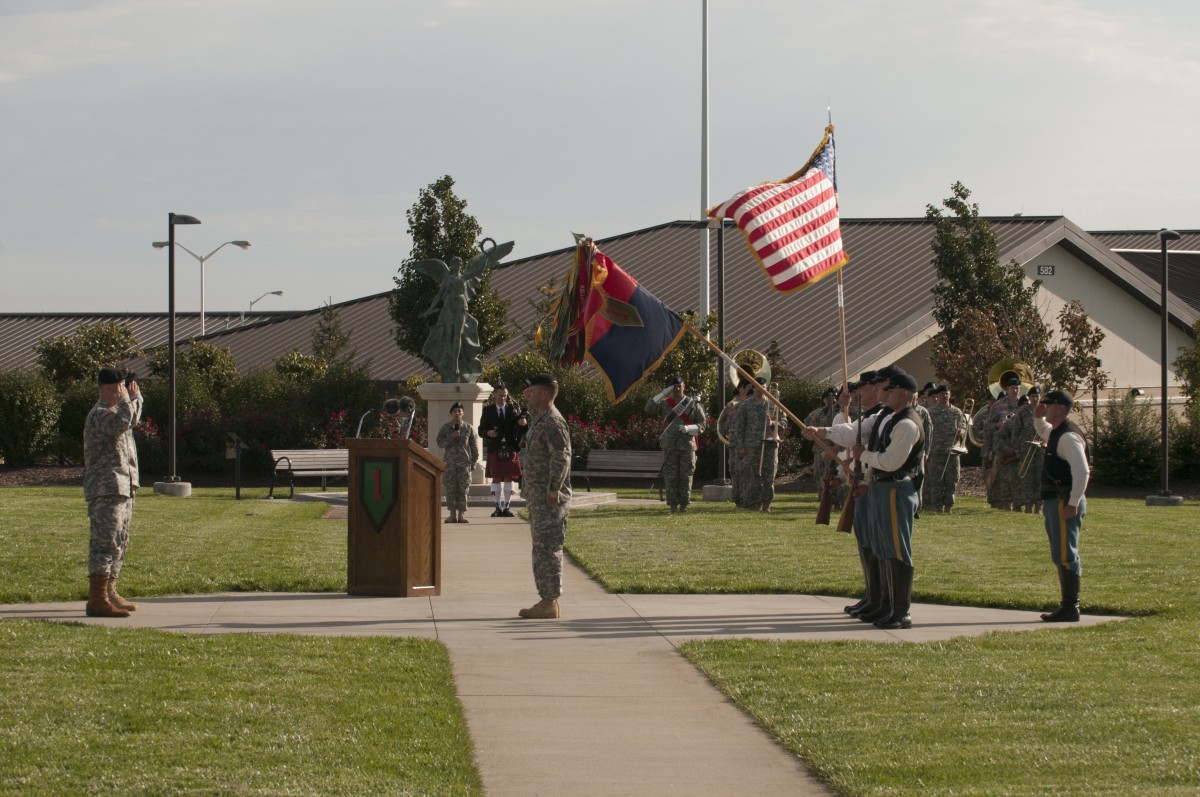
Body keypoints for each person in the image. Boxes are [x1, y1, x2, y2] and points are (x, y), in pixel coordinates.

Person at [83, 367, 143, 618]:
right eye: (120, 387)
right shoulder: (100, 414)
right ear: (108, 388)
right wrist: (128, 400)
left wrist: (136, 398)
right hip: (105, 486)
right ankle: (97, 599)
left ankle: (110, 592)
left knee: (120, 540)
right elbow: (122, 421)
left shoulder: (118, 410)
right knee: (105, 542)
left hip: (122, 485)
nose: (123, 392)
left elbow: (132, 419)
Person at [518, 373, 572, 619]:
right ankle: (545, 599)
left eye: (531, 391)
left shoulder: (553, 422)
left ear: (544, 394)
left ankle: (550, 601)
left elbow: (561, 457)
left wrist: (553, 490)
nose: (526, 395)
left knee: (548, 548)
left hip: (549, 499)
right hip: (539, 497)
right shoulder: (540, 420)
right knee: (541, 547)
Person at [1034, 389, 1089, 622]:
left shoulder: (1067, 436)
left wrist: (1073, 502)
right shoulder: (1058, 432)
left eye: (1049, 403)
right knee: (1062, 552)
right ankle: (1068, 605)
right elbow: (1045, 431)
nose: (1044, 405)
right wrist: (1037, 418)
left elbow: (1082, 470)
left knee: (1066, 554)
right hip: (1058, 500)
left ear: (1061, 409)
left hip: (1063, 501)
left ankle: (1070, 607)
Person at [646, 376, 706, 513]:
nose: (677, 389)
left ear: (684, 386)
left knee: (686, 476)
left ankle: (684, 505)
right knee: (671, 476)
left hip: (687, 445)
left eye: (680, 386)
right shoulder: (665, 403)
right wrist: (662, 393)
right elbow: (648, 408)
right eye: (674, 387)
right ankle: (672, 505)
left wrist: (689, 429)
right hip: (670, 445)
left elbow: (702, 424)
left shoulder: (692, 404)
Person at [731, 377, 787, 512]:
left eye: (762, 387)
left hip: (770, 445)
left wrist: (773, 423)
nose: (759, 390)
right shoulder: (745, 405)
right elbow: (739, 428)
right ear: (753, 388)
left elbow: (784, 424)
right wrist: (741, 447)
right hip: (751, 447)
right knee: (752, 476)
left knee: (769, 476)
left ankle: (767, 504)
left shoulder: (774, 404)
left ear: (766, 387)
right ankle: (753, 504)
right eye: (756, 387)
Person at [478, 383, 527, 517]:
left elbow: (521, 430)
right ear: (495, 395)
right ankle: (497, 507)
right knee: (496, 478)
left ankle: (507, 507)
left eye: (505, 396)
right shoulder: (488, 411)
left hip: (510, 447)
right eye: (500, 395)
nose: (503, 398)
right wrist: (488, 433)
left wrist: (523, 424)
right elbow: (480, 430)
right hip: (495, 448)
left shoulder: (513, 410)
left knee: (508, 478)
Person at [436, 402, 480, 524]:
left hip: (464, 463)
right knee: (450, 489)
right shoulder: (446, 428)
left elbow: (474, 446)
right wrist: (452, 436)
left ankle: (461, 515)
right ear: (451, 413)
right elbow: (440, 443)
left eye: (459, 411)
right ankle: (452, 515)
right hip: (450, 463)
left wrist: (474, 461)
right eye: (455, 411)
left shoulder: (468, 428)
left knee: (463, 489)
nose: (457, 413)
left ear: (463, 413)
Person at [926, 385, 966, 513]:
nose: (944, 396)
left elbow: (964, 429)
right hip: (936, 451)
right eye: (942, 393)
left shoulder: (957, 412)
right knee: (936, 480)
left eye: (946, 393)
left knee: (952, 480)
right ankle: (937, 507)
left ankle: (948, 506)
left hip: (952, 452)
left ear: (950, 395)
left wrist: (961, 431)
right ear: (937, 396)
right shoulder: (931, 412)